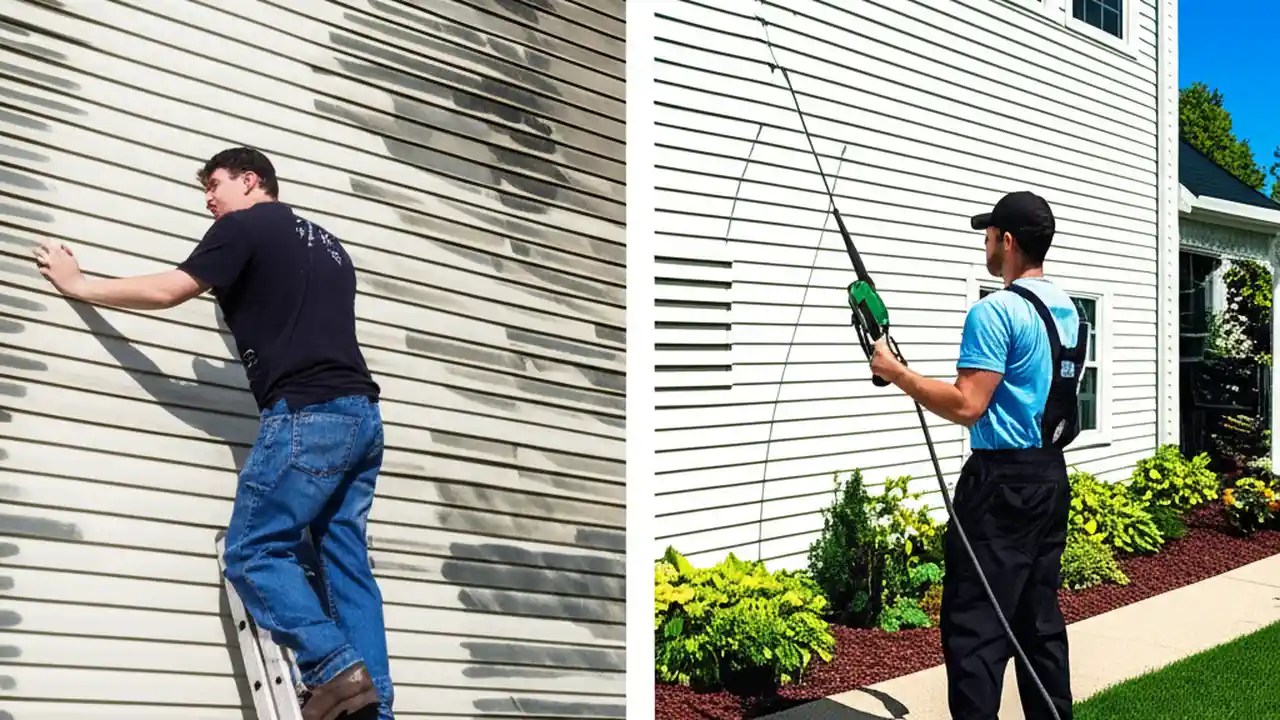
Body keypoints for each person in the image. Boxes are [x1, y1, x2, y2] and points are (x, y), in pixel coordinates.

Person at [32, 147, 394, 720]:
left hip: (307, 412)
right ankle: (374, 709)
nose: (208, 199)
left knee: (253, 551)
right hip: (362, 418)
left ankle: (333, 669)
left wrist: (80, 285)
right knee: (345, 565)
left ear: (250, 181)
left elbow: (169, 290)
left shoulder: (244, 227)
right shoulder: (328, 244)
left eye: (214, 185)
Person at [870, 190, 1086, 720]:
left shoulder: (995, 312)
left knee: (976, 630)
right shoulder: (1071, 311)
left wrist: (897, 373)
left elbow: (968, 405)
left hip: (1001, 485)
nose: (985, 244)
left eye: (988, 235)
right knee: (1038, 622)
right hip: (1050, 477)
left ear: (1007, 241)